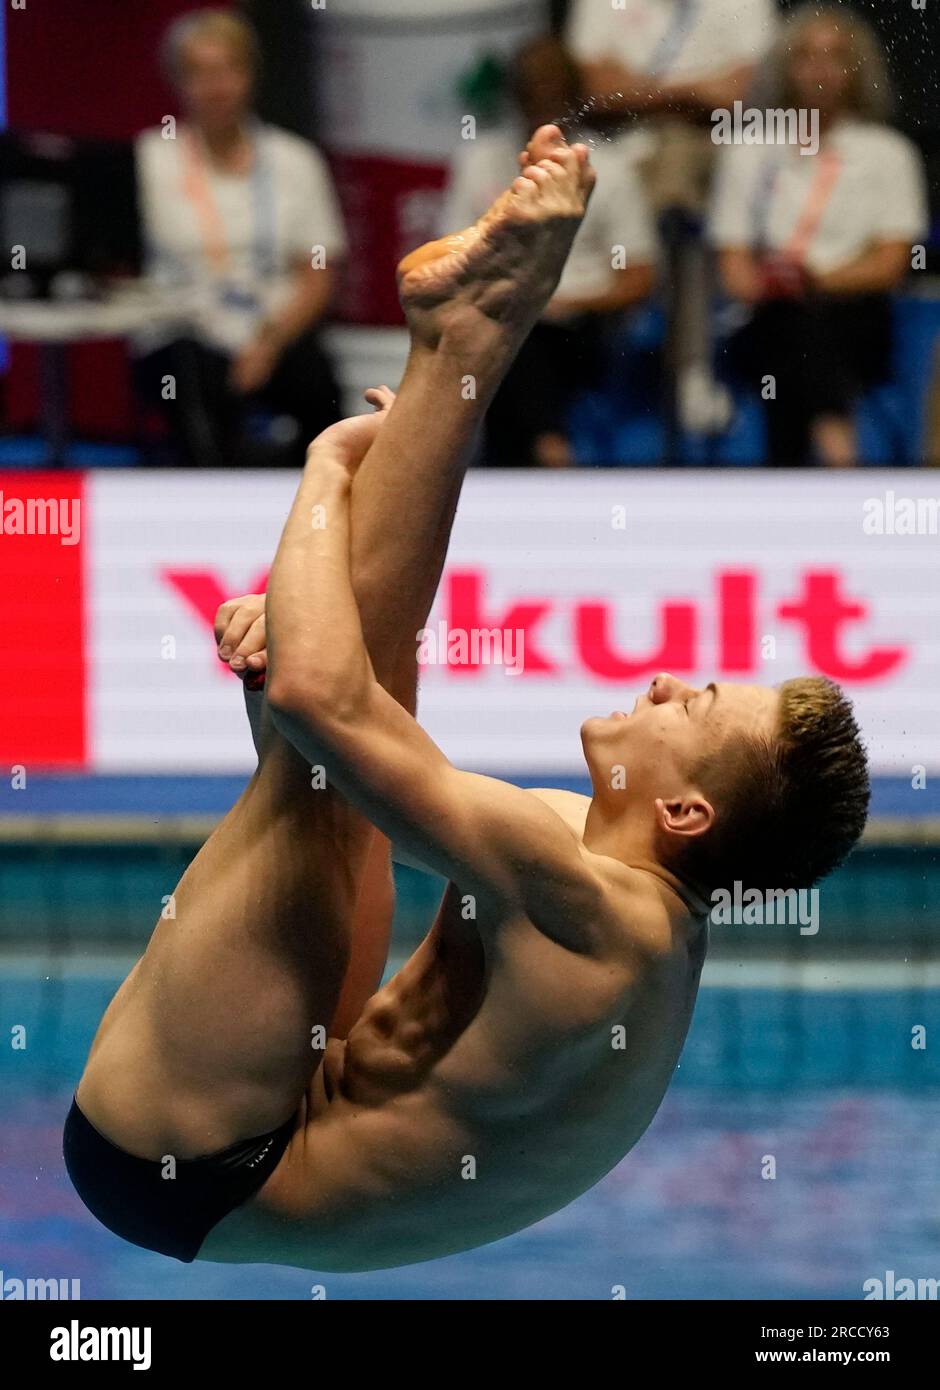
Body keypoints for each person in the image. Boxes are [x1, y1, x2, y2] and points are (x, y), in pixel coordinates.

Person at [64, 127, 869, 1273]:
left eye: (696, 706)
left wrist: (330, 469)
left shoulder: (600, 917)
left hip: (188, 1162)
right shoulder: (586, 862)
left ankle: (469, 342)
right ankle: (463, 342)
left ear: (686, 813)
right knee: (335, 760)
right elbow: (334, 708)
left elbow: (320, 694)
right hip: (287, 1089)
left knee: (318, 771)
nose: (666, 679)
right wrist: (282, 683)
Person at [711, 5, 928, 467]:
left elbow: (890, 265)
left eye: (834, 56)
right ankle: (838, 456)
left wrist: (811, 281)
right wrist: (780, 286)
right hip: (765, 319)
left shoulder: (889, 154)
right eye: (806, 56)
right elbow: (734, 273)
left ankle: (793, 472)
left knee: (808, 328)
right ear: (785, 67)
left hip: (856, 316)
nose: (820, 70)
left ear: (857, 68)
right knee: (791, 327)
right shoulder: (749, 151)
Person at [134, 9, 347, 467]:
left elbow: (317, 273)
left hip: (275, 327)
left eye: (228, 69)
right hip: (183, 330)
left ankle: (317, 510)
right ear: (178, 81)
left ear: (251, 73)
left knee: (319, 385)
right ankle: (210, 509)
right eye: (200, 73)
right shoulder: (150, 160)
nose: (217, 87)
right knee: (191, 377)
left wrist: (268, 343)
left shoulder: (295, 159)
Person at [440, 35, 656, 467]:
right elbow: (448, 256)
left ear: (571, 91)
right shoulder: (478, 163)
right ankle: (543, 452)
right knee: (505, 331)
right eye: (530, 83)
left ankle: (541, 453)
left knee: (523, 338)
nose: (540, 93)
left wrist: (562, 302)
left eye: (551, 83)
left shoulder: (608, 168)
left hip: (581, 324)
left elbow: (639, 276)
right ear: (513, 92)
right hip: (494, 313)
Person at [567, 0, 778, 436]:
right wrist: (692, 92)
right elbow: (595, 88)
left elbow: (742, 92)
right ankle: (635, 331)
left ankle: (686, 358)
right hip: (618, 149)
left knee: (678, 178)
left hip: (716, 146)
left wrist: (643, 91)